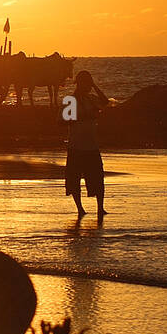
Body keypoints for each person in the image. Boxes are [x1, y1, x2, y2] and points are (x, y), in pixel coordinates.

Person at [64, 70, 109, 221]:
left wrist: (95, 85)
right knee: (74, 180)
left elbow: (105, 102)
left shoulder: (92, 98)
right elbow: (64, 120)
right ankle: (80, 208)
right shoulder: (71, 100)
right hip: (76, 146)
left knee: (98, 178)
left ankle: (100, 208)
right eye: (87, 83)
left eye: (90, 83)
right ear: (80, 84)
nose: (89, 86)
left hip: (92, 146)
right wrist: (84, 116)